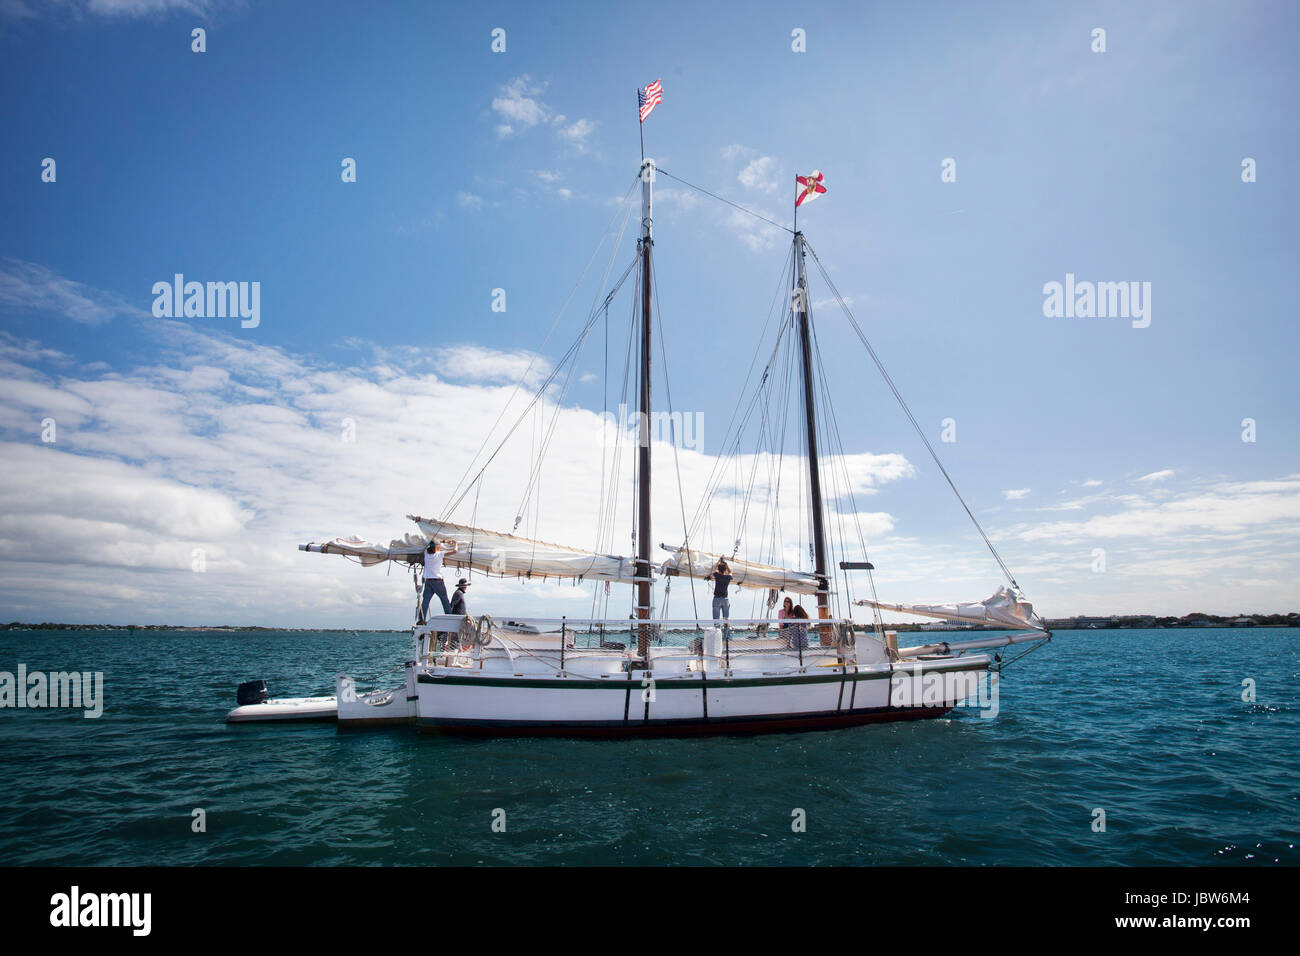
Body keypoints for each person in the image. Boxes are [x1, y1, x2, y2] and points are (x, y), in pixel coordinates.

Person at [417, 538, 458, 624]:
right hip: (438, 582)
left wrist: (444, 541)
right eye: (439, 546)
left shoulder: (426, 553)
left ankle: (421, 619)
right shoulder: (439, 554)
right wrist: (455, 544)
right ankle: (449, 618)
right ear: (437, 547)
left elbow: (430, 546)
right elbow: (455, 551)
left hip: (428, 581)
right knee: (444, 600)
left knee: (426, 601)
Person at [710, 560, 733, 628]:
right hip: (725, 599)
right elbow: (730, 572)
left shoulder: (717, 575)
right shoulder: (728, 577)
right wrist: (726, 565)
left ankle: (717, 635)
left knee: (716, 620)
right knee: (726, 619)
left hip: (717, 599)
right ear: (725, 569)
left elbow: (715, 569)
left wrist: (718, 561)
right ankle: (727, 636)